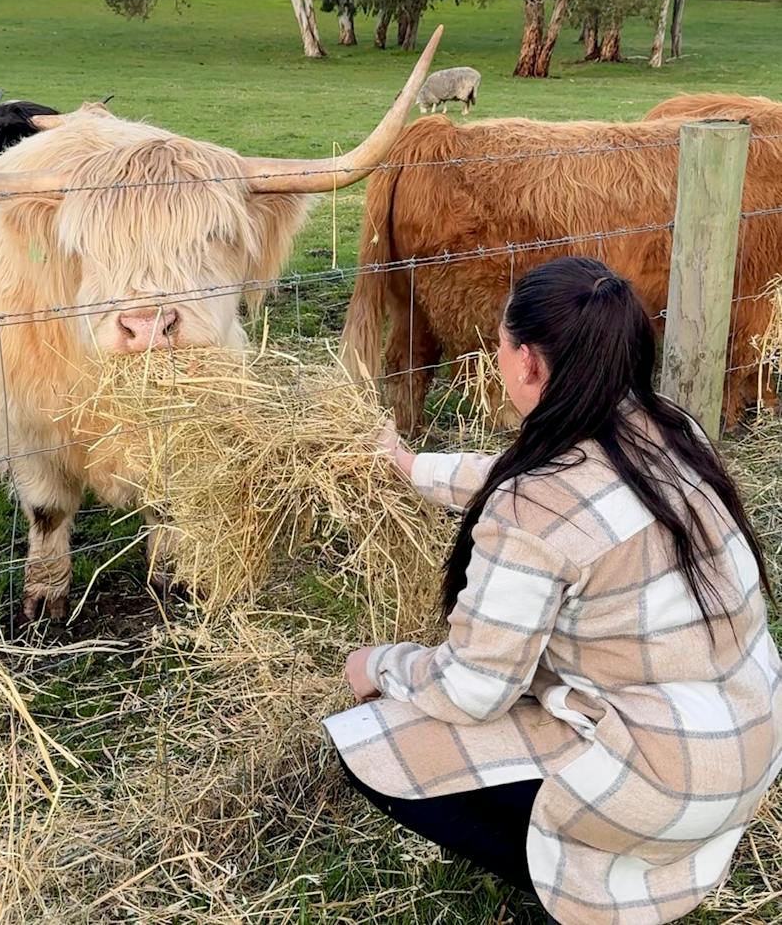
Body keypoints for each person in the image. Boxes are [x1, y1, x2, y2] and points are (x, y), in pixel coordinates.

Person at [324, 256, 782, 925]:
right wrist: (410, 465)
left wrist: (380, 666)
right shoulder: (669, 432)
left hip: (671, 787)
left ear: (527, 363)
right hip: (747, 745)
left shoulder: (531, 504)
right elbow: (532, 484)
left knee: (371, 738)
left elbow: (472, 689)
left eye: (502, 343)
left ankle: (577, 871)